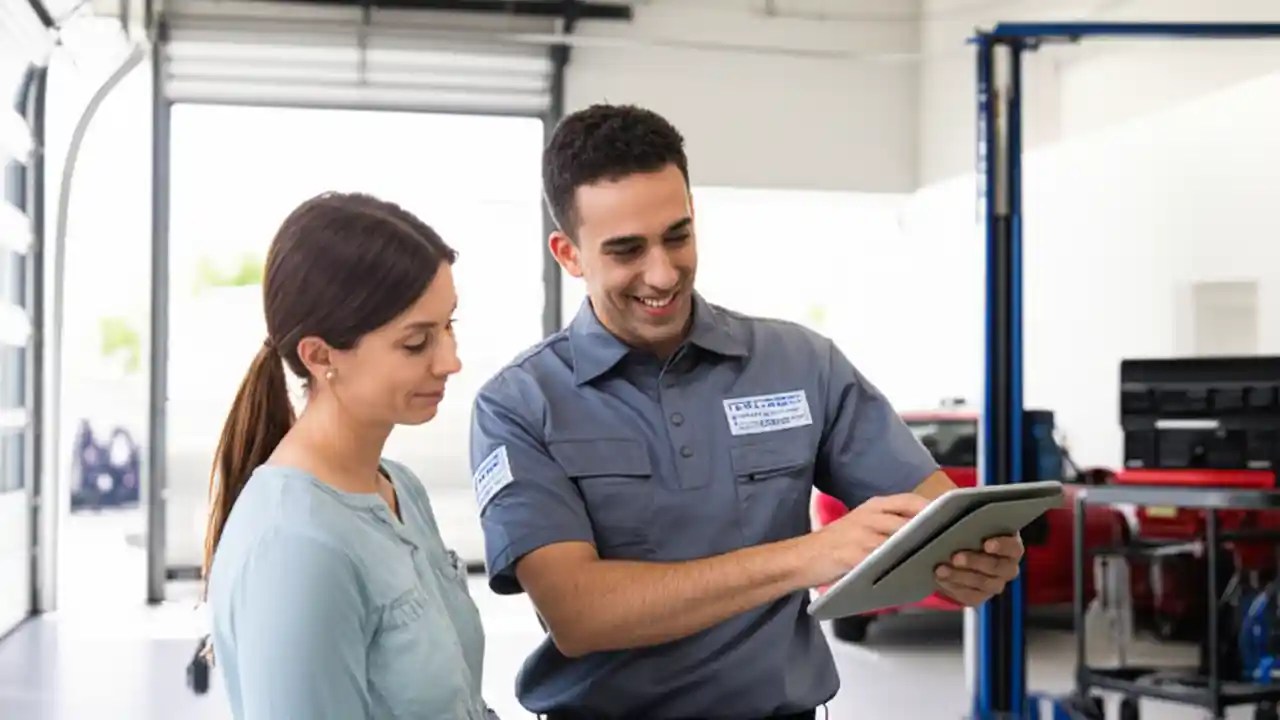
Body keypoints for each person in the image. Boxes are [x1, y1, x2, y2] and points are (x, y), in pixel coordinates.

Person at [468, 104, 1025, 719]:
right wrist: (808, 556)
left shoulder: (799, 363)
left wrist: (971, 558)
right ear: (568, 255)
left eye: (677, 235)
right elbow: (579, 615)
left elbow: (934, 511)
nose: (662, 272)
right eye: (627, 250)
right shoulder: (518, 405)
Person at [204, 192, 497, 719]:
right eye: (416, 343)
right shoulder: (295, 546)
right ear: (319, 357)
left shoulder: (398, 488)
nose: (451, 360)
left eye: (449, 325)